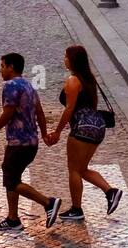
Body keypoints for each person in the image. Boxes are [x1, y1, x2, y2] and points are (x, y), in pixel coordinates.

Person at [0, 53, 61, 231]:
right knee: (12, 176)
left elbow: (8, 113)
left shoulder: (10, 86)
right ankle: (13, 218)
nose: (0, 70)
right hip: (31, 142)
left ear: (11, 67)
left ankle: (48, 203)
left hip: (18, 143)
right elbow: (39, 112)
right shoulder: (29, 85)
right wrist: (44, 134)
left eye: (2, 66)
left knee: (11, 180)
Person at [46, 44, 121, 223]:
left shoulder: (73, 80)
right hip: (97, 127)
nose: (64, 59)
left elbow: (70, 109)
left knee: (73, 170)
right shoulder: (88, 78)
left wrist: (57, 131)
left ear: (73, 60)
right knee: (82, 169)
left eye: (66, 56)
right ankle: (111, 192)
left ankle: (76, 208)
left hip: (81, 128)